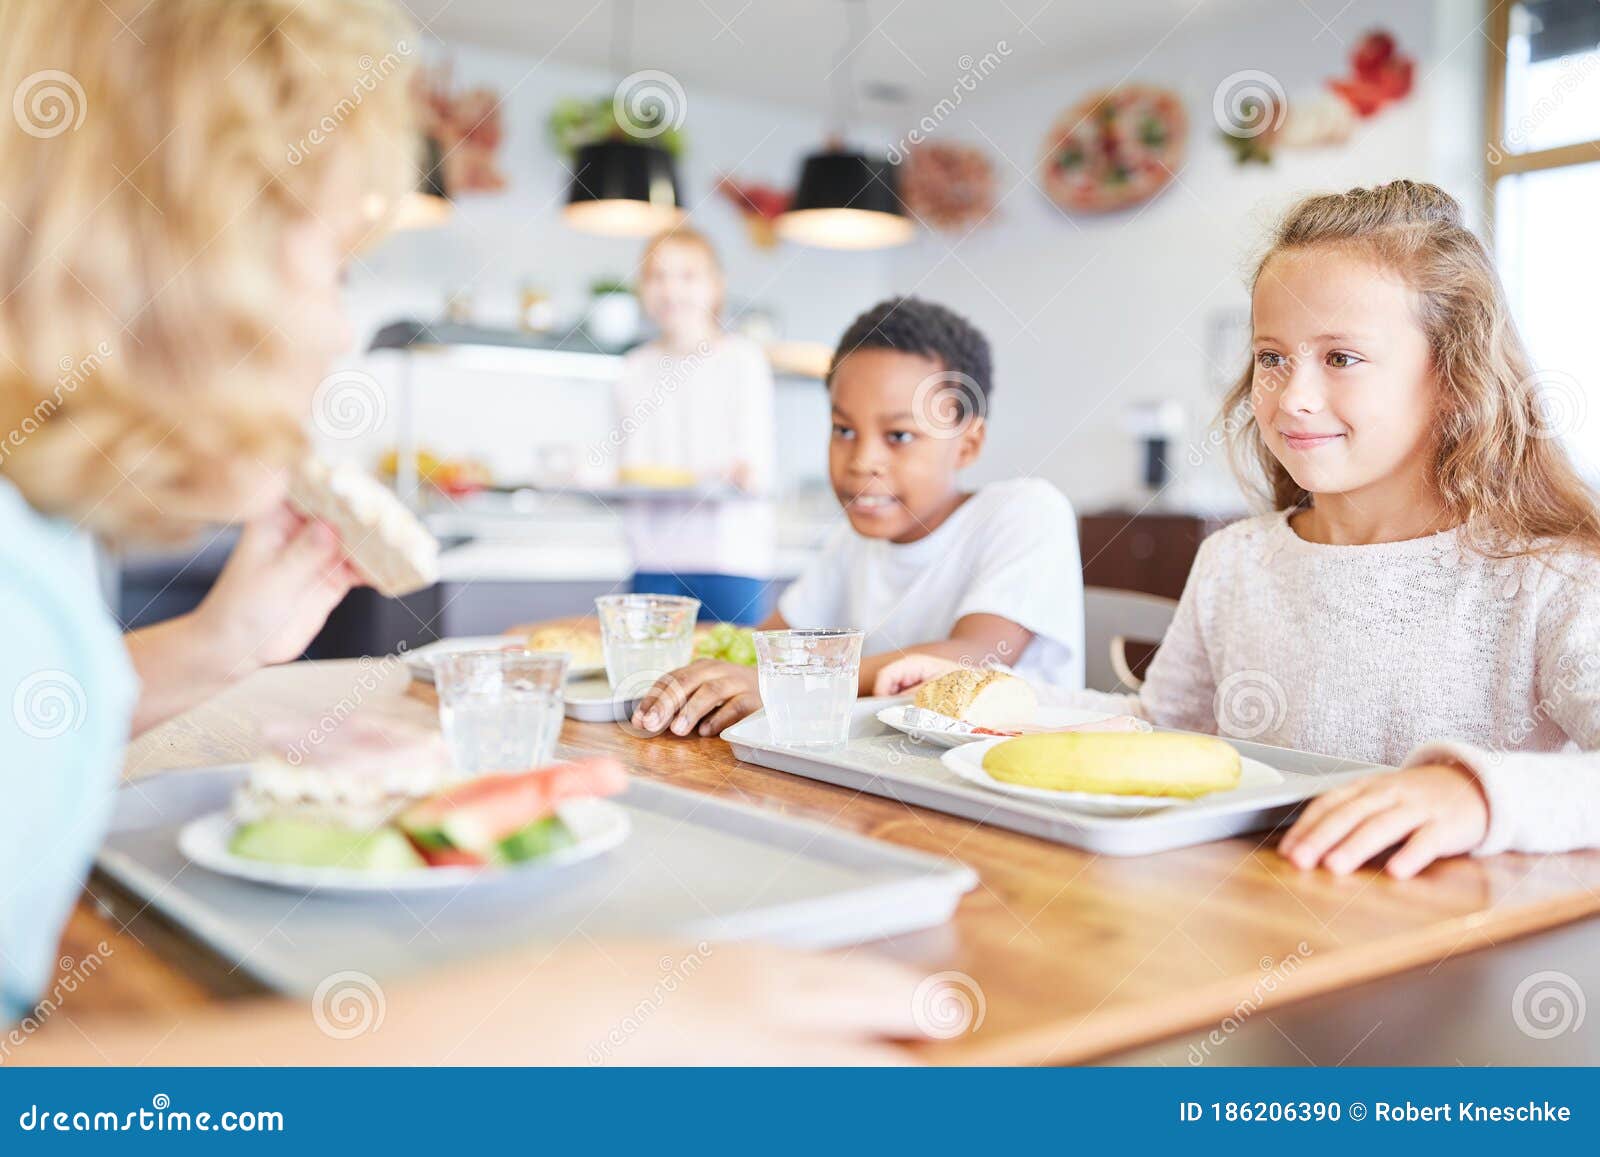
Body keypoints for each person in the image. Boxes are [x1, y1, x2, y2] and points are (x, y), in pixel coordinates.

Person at [0, 0, 921, 1065]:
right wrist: (557, 1018)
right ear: (173, 249)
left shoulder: (39, 555)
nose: (342, 330)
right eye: (333, 265)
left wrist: (217, 645)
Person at [881, 181, 1600, 880]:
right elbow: (1160, 725)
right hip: (1262, 927)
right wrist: (997, 694)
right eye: (1272, 358)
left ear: (1452, 378)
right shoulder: (1236, 561)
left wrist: (1476, 794)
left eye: (1340, 357)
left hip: (1457, 960)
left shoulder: (1548, 574)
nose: (1293, 396)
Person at [632, 296, 1085, 739]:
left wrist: (785, 683)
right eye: (844, 430)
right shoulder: (856, 539)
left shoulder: (1025, 511)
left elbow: (970, 657)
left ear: (967, 444)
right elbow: (769, 646)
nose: (862, 460)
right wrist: (664, 649)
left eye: (899, 435)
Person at [612, 227, 778, 624]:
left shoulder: (743, 360)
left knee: (727, 672)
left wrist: (741, 472)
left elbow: (755, 467)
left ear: (716, 287)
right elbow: (628, 466)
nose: (670, 290)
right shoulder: (632, 369)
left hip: (729, 559)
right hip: (651, 558)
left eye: (687, 276)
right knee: (651, 677)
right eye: (657, 276)